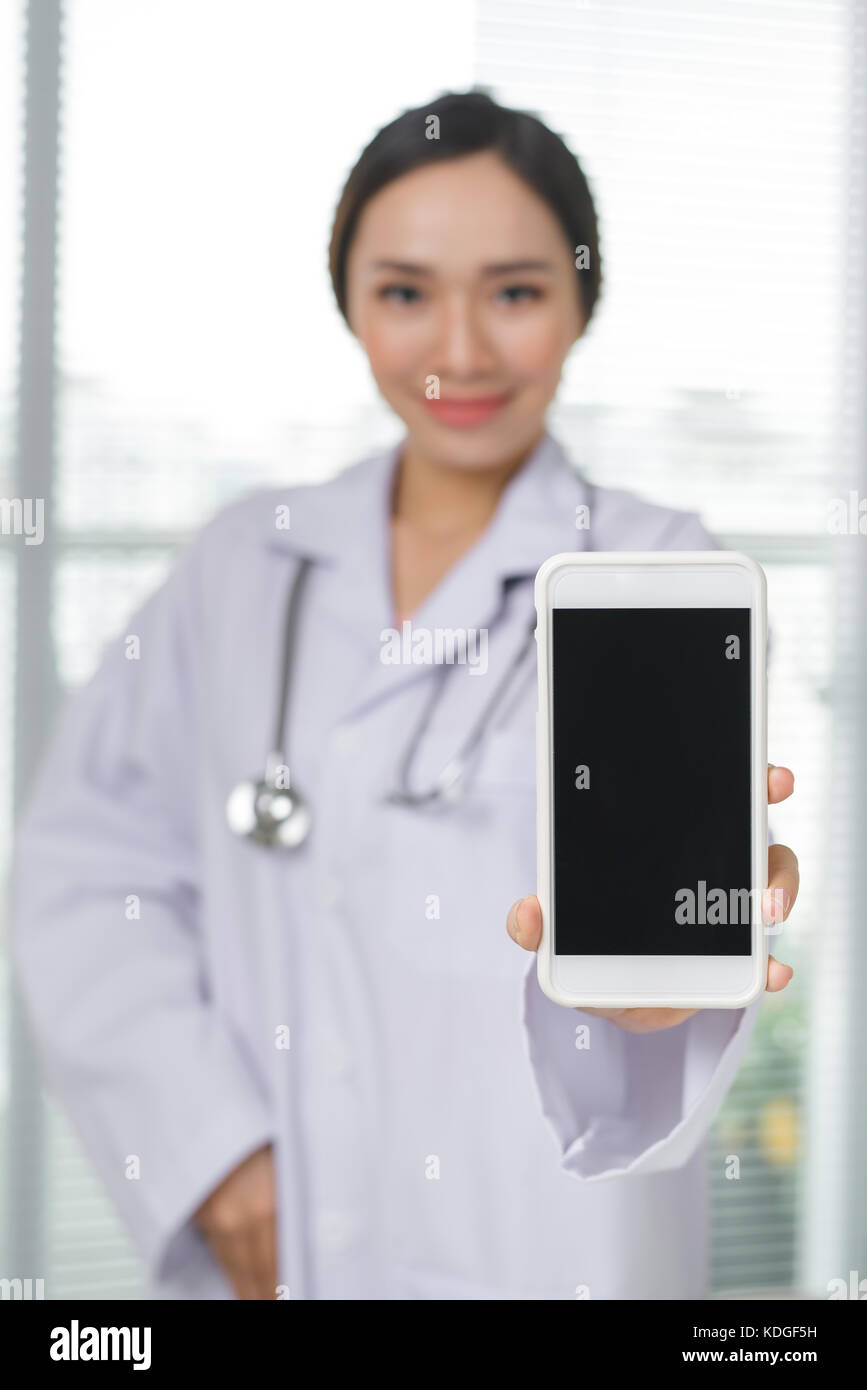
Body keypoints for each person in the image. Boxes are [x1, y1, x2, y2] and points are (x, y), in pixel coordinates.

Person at [10, 90, 798, 1301]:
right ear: (349, 303)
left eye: (518, 290)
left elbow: (658, 988)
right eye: (406, 291)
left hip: (547, 1250)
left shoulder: (665, 569)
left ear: (583, 301)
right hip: (281, 1246)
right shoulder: (243, 564)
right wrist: (207, 1145)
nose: (463, 351)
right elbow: (84, 871)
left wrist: (661, 1007)